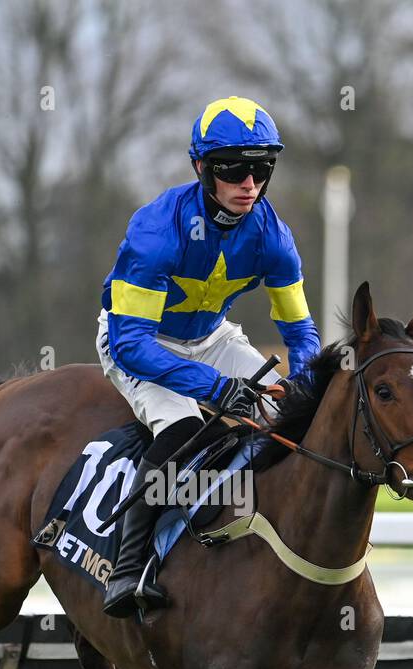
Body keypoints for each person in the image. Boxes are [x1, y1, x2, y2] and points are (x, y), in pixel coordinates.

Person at [97, 96, 321, 616]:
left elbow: (301, 334)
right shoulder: (155, 233)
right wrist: (215, 390)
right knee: (181, 431)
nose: (249, 183)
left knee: (299, 418)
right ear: (201, 167)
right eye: (233, 169)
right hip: (140, 341)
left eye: (262, 168)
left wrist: (302, 384)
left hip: (212, 336)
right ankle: (128, 568)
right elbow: (133, 345)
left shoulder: (274, 237)